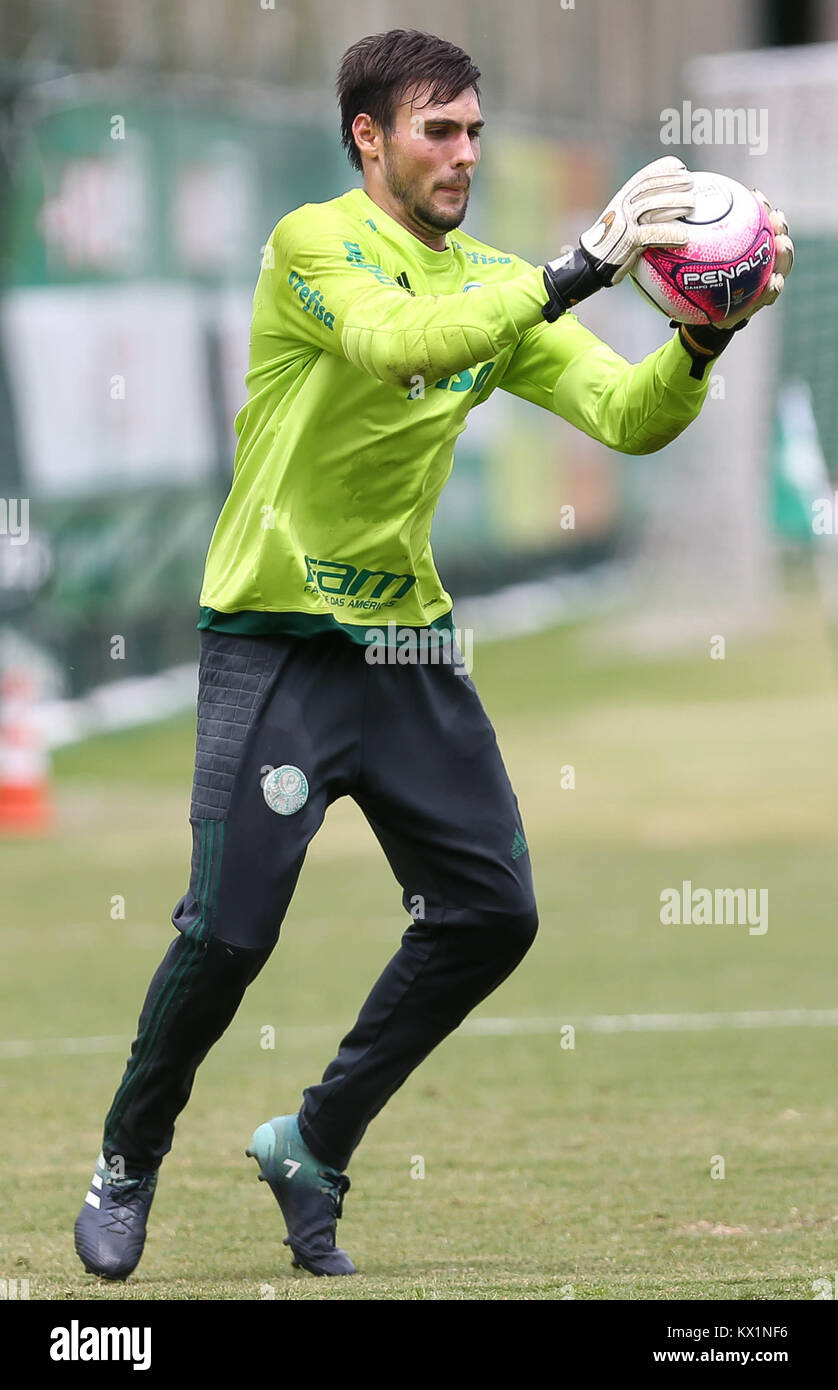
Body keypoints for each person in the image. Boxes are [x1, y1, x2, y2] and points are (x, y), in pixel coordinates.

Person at [74, 27, 794, 1281]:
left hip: (405, 642)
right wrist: (575, 268)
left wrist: (700, 338)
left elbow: (625, 419)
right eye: (436, 131)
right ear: (369, 138)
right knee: (229, 934)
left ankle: (315, 1136)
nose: (463, 153)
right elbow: (395, 345)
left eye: (473, 129)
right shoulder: (314, 244)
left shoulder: (498, 287)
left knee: (491, 913)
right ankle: (127, 1159)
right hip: (276, 635)